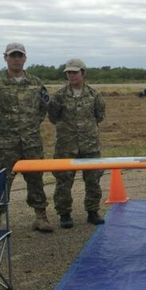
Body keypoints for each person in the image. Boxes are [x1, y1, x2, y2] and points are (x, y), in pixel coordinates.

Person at [0, 43, 54, 232]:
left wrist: (30, 126)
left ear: (25, 58)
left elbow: (43, 108)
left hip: (31, 142)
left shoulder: (36, 83)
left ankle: (40, 216)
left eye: (20, 56)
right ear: (5, 58)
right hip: (4, 144)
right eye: (12, 56)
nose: (16, 59)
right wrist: (1, 130)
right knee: (0, 181)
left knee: (36, 179)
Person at [48, 58, 106, 228]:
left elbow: (99, 115)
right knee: (63, 181)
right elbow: (53, 116)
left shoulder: (94, 94)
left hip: (90, 145)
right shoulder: (59, 95)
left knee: (93, 180)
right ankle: (64, 214)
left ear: (83, 73)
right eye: (68, 73)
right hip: (66, 145)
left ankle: (92, 211)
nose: (71, 75)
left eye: (74, 72)